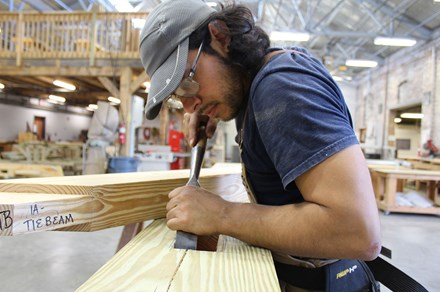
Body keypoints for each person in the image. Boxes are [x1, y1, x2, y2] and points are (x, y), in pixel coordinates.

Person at [139, 0, 381, 290]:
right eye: (179, 96)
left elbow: (357, 232)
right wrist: (215, 106)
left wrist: (221, 214)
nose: (191, 105)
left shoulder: (282, 86)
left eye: (189, 81)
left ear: (220, 36)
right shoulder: (257, 82)